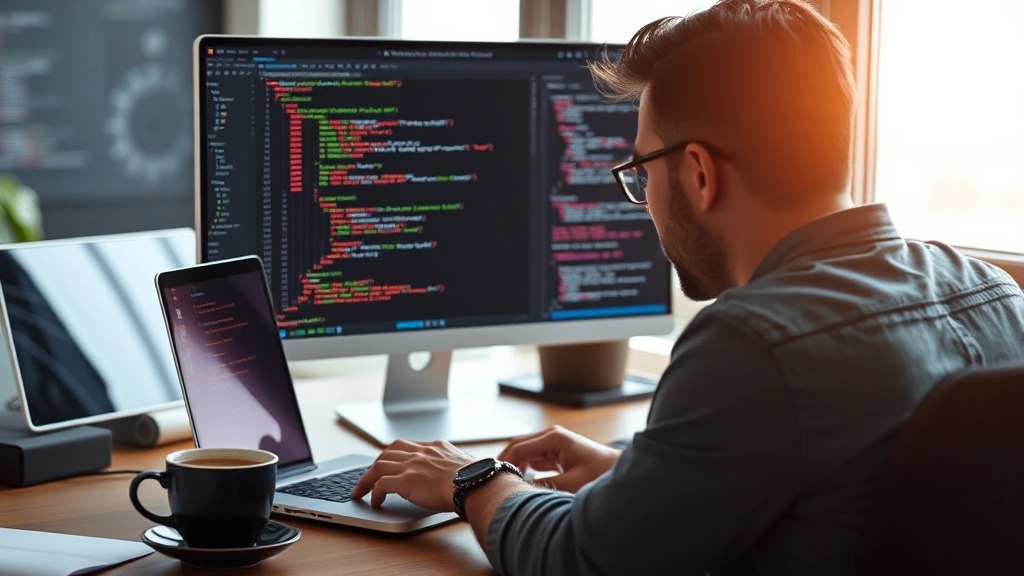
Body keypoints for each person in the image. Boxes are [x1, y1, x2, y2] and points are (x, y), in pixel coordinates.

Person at [352, 0, 1024, 574]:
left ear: (699, 173)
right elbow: (835, 480)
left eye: (641, 169)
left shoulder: (754, 344)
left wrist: (473, 479)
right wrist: (632, 471)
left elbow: (579, 561)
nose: (642, 198)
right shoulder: (997, 293)